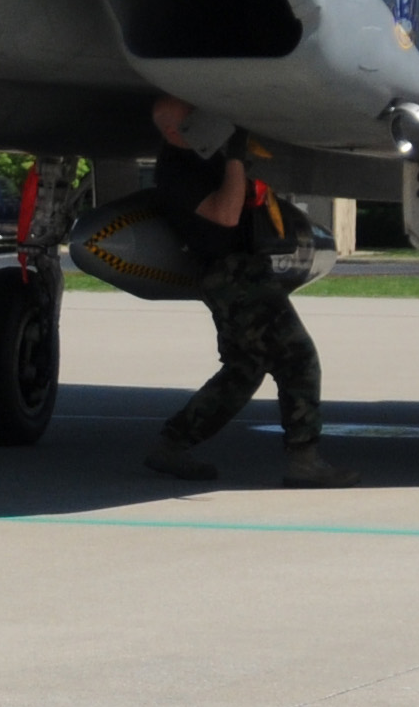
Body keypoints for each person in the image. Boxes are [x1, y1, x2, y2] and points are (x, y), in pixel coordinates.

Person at [136, 96, 355, 489]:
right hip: (232, 277)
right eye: (190, 122)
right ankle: (304, 459)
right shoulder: (177, 170)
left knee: (244, 369)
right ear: (172, 131)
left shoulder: (203, 156)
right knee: (298, 358)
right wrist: (236, 160)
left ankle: (171, 445)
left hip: (239, 271)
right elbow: (226, 214)